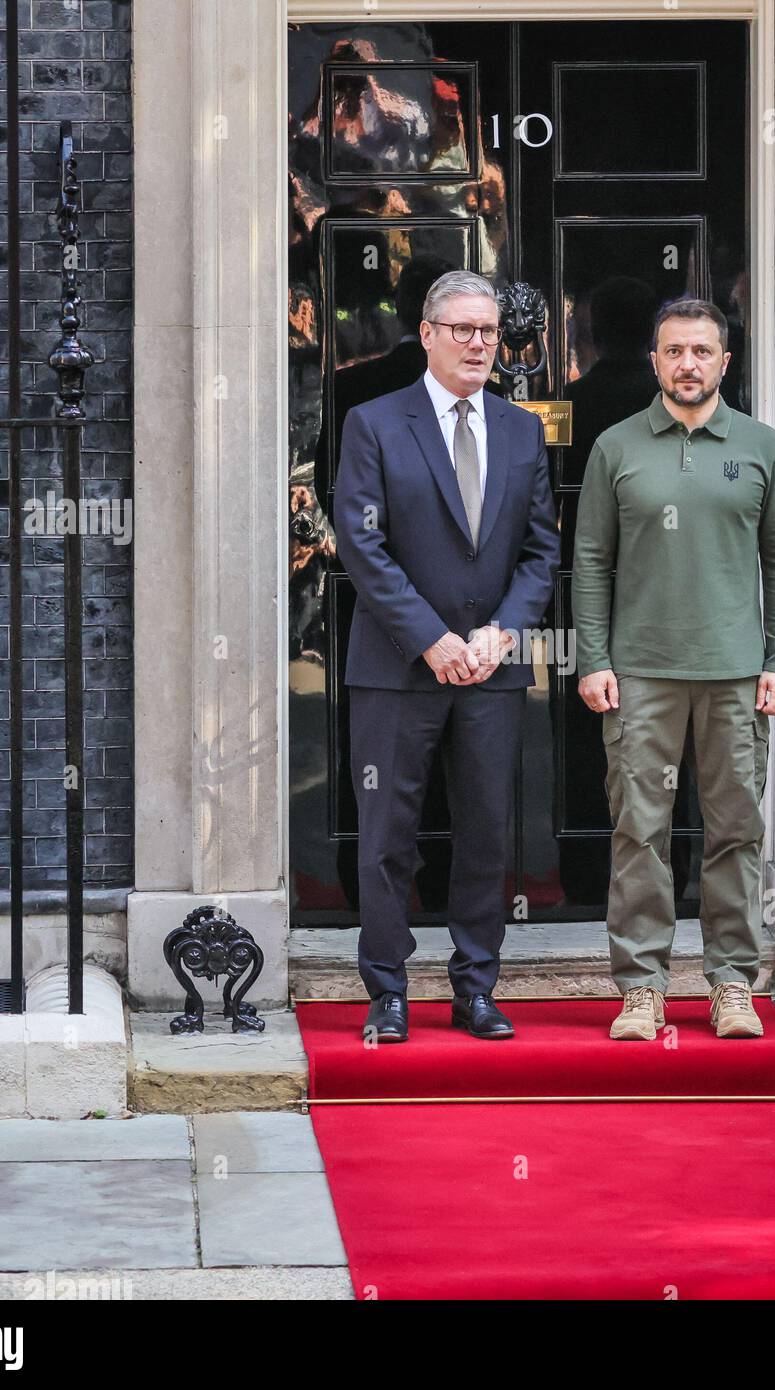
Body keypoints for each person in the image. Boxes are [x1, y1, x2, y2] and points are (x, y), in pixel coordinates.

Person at [333, 270, 561, 1043]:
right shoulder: (374, 423)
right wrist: (431, 638)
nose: (476, 343)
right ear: (427, 334)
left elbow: (540, 551)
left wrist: (503, 631)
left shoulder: (522, 429)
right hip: (399, 668)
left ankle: (476, 989)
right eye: (461, 329)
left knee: (486, 833)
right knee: (388, 834)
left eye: (488, 331)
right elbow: (361, 545)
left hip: (494, 670)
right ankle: (388, 992)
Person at [571, 297, 775, 1041]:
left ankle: (732, 981)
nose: (688, 364)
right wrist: (593, 659)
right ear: (655, 359)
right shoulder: (616, 446)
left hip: (737, 675)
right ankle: (642, 986)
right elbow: (592, 559)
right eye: (674, 351)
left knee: (735, 830)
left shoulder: (763, 448)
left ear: (724, 361)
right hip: (640, 674)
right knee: (639, 832)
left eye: (702, 351)